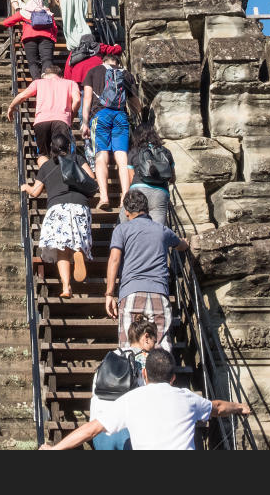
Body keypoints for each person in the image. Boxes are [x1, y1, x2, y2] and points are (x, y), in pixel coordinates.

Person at [43, 349, 250, 451]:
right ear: (173, 378)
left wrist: (55, 450)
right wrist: (240, 407)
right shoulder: (187, 398)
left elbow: (91, 430)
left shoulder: (130, 399)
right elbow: (219, 407)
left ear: (144, 373)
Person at [105, 189, 187, 351]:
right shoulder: (162, 230)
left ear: (127, 212)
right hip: (158, 293)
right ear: (147, 210)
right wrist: (187, 242)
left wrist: (109, 293)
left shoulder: (121, 230)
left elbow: (114, 259)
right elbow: (181, 245)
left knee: (128, 348)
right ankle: (160, 375)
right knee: (160, 348)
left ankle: (133, 374)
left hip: (131, 292)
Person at [22, 132, 96, 298]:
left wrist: (25, 187)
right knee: (77, 242)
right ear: (68, 146)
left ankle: (66, 286)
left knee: (61, 250)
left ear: (52, 149)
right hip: (80, 205)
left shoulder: (46, 167)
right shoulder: (78, 160)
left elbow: (35, 192)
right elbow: (92, 179)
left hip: (57, 208)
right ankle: (78, 252)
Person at [80, 44, 140, 212]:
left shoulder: (93, 72)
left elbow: (87, 100)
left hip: (100, 116)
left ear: (103, 59)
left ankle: (104, 197)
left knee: (101, 158)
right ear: (118, 62)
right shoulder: (126, 75)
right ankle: (125, 197)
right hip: (121, 117)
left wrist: (85, 123)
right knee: (122, 159)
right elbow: (136, 105)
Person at [88, 317, 159, 450]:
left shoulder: (110, 357)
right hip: (129, 433)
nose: (155, 346)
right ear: (146, 337)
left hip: (99, 429)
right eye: (155, 341)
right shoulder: (147, 361)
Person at [5, 61, 80, 165]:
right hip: (61, 120)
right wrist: (71, 117)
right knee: (61, 152)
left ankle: (46, 179)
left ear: (45, 75)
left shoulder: (38, 82)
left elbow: (22, 96)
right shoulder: (70, 83)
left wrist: (11, 106)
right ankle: (60, 178)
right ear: (61, 75)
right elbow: (77, 101)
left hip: (41, 121)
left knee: (43, 154)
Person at [124, 121, 176, 225]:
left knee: (129, 226)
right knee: (157, 229)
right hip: (160, 193)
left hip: (138, 192)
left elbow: (131, 179)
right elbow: (172, 178)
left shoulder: (134, 152)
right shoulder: (166, 152)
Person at [2, 0, 58, 81]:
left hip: (29, 38)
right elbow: (54, 28)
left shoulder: (24, 12)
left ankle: (36, 81)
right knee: (47, 60)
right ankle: (46, 80)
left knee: (32, 62)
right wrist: (53, 38)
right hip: (47, 37)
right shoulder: (48, 12)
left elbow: (6, 22)